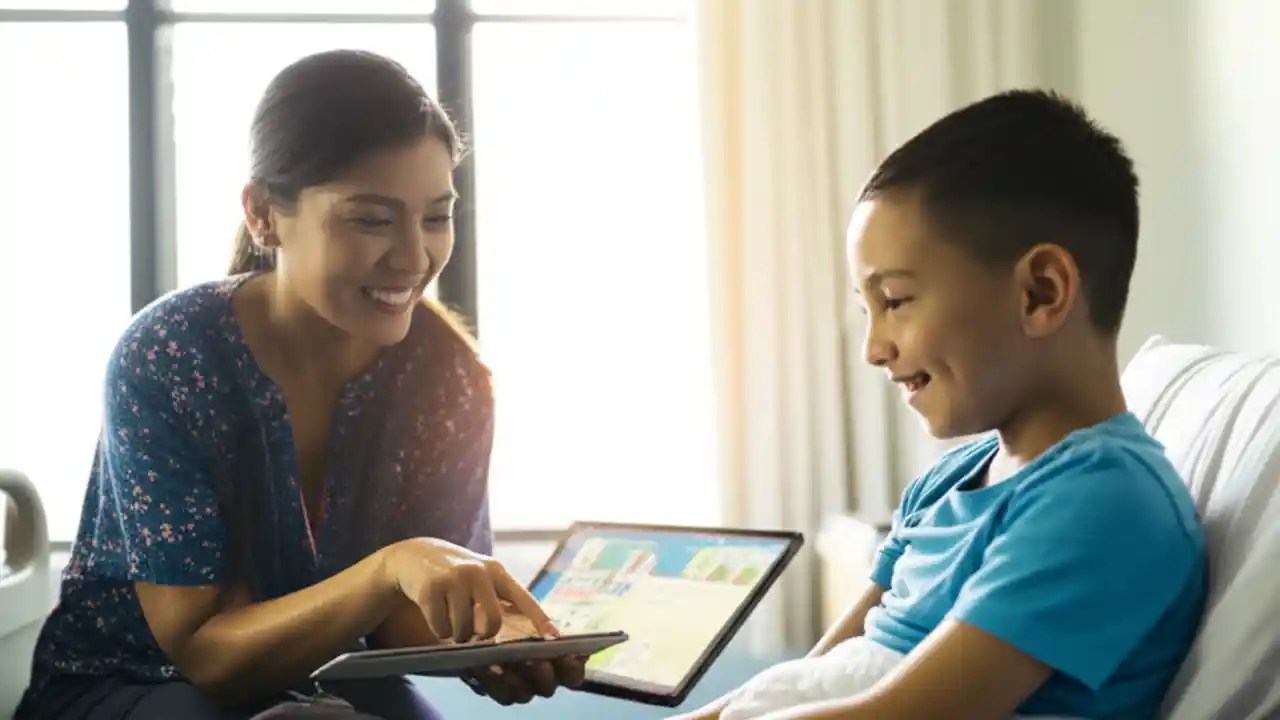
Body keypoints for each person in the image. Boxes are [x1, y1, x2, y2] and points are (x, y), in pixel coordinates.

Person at [16, 49, 583, 719]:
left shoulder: (450, 380)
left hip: (336, 678)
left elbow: (400, 626)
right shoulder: (168, 355)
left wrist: (496, 642)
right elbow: (209, 657)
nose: (413, 257)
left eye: (435, 217)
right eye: (370, 219)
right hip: (130, 682)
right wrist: (392, 566)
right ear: (263, 212)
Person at [674, 90, 1207, 720]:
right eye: (865, 307)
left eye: (895, 300)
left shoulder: (1105, 500)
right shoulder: (948, 479)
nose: (874, 348)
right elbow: (808, 679)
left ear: (1042, 292)